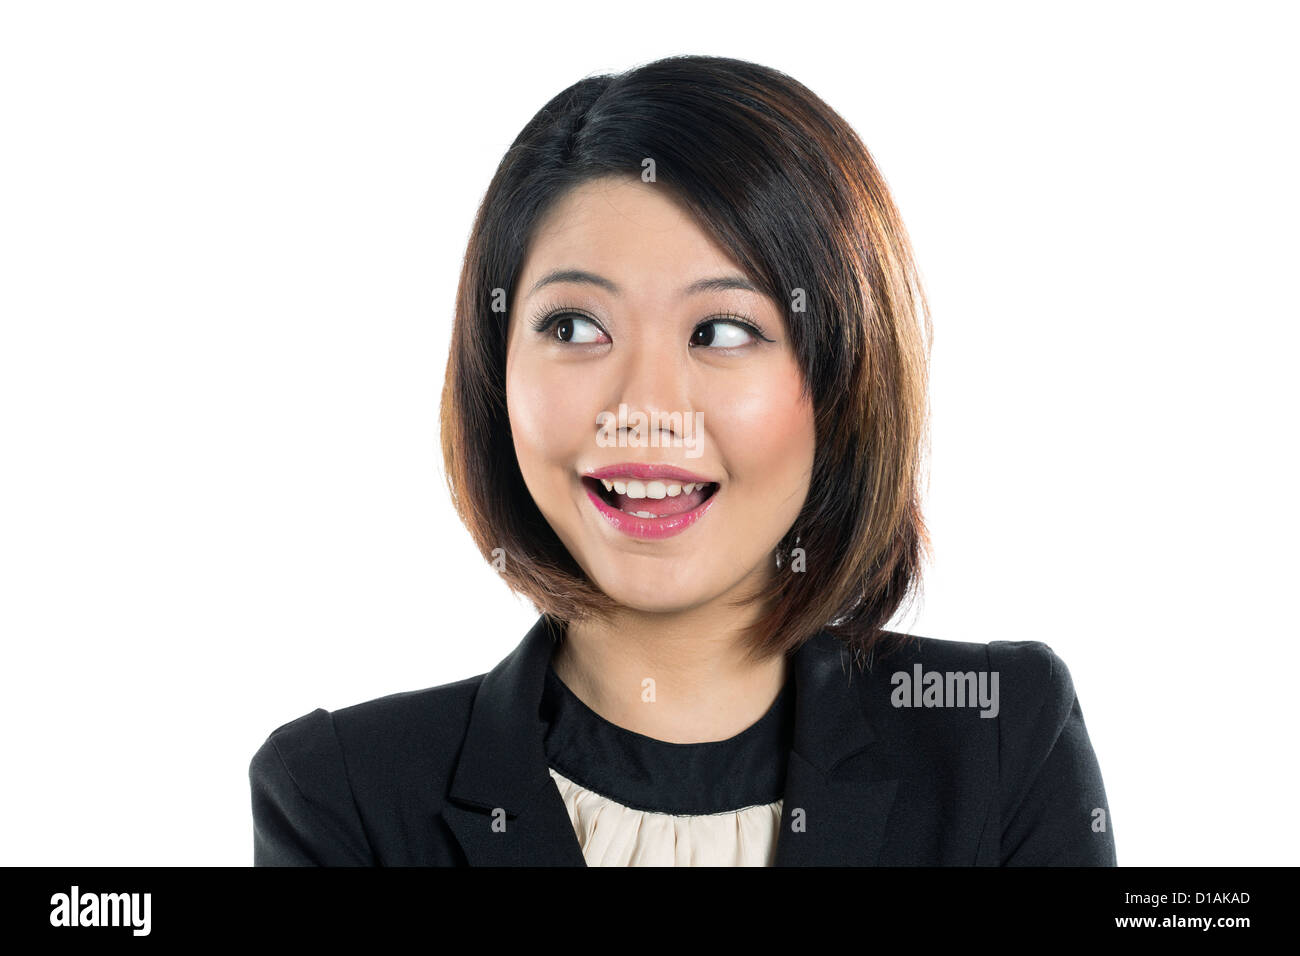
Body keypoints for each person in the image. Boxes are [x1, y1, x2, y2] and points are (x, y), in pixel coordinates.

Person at [249, 54, 1116, 866]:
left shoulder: (998, 736)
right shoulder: (345, 796)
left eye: (724, 331)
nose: (644, 413)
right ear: (496, 370)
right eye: (575, 327)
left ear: (846, 376)